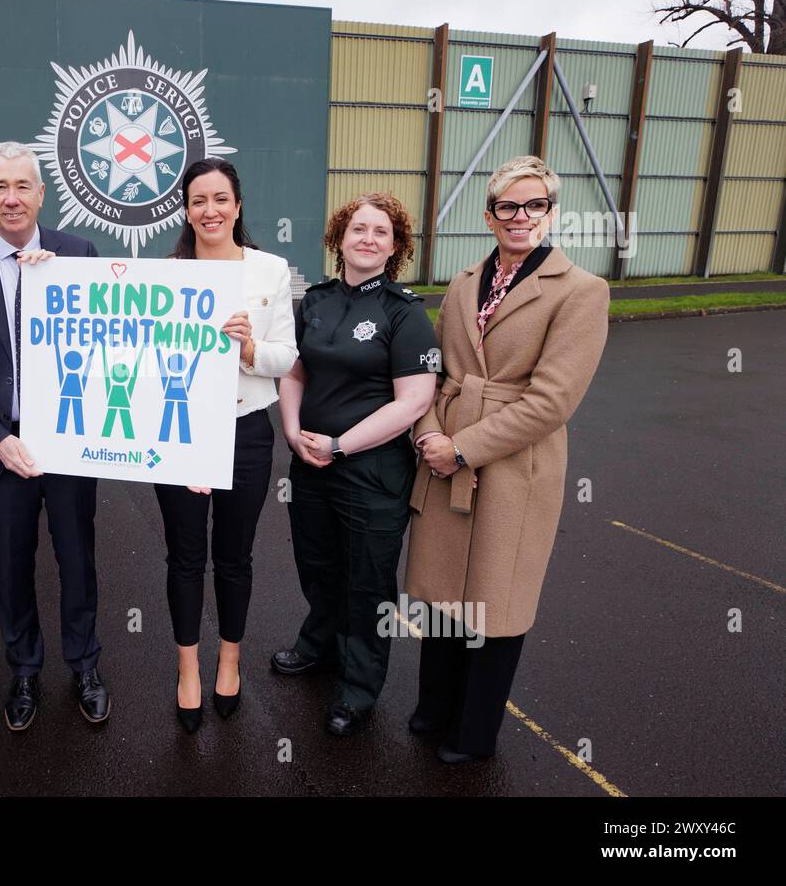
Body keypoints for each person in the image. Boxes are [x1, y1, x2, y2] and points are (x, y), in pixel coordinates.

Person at [405, 156, 609, 763]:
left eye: (534, 205)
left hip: (512, 468)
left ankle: (474, 735)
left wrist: (463, 446)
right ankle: (434, 707)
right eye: (507, 207)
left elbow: (552, 401)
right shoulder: (466, 282)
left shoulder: (581, 291)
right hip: (443, 449)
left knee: (496, 601)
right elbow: (432, 370)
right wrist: (429, 432)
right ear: (489, 215)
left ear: (550, 212)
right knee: (443, 593)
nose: (520, 217)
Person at [0, 141, 110, 731]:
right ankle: (25, 671)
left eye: (22, 186)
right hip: (0, 446)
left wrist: (59, 282)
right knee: (11, 563)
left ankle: (84, 664)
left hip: (69, 438)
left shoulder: (78, 252)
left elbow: (113, 339)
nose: (12, 198)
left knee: (76, 557)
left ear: (41, 193)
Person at [270, 192, 437, 736]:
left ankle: (359, 688)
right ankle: (317, 645)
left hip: (371, 472)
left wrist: (341, 445)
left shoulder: (404, 311)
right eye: (358, 228)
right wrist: (293, 432)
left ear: (395, 248)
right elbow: (295, 373)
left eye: (380, 232)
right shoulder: (314, 301)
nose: (368, 238)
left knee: (366, 581)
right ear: (339, 238)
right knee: (317, 564)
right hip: (310, 464)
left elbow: (413, 401)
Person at [156, 157, 298, 734]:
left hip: (246, 431)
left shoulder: (269, 269)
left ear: (237, 207)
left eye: (220, 199)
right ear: (186, 211)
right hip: (181, 430)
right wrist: (41, 268)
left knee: (235, 556)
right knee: (186, 555)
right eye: (197, 201)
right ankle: (188, 666)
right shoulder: (166, 274)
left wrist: (246, 351)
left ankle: (230, 659)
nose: (209, 210)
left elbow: (286, 357)